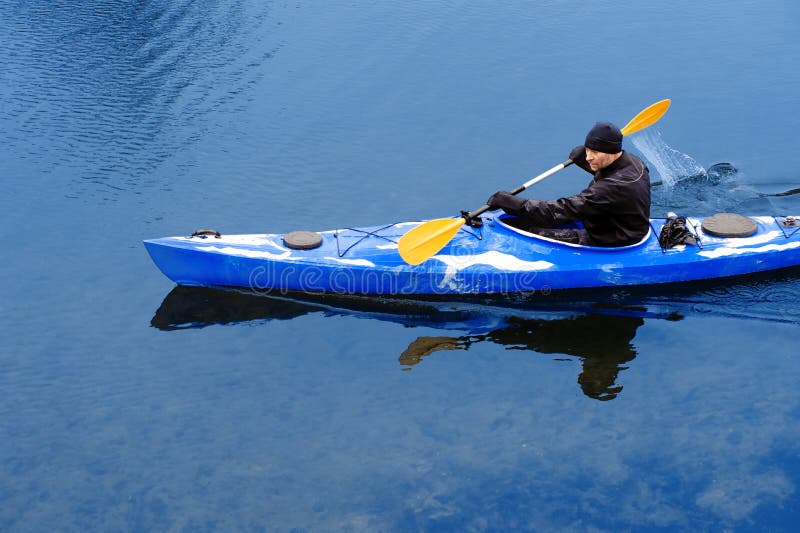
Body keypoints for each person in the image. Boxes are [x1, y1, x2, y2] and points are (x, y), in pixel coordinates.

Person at [486, 122, 651, 247]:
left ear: (612, 152)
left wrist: (514, 203)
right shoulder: (634, 163)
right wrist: (586, 162)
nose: (588, 157)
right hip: (618, 225)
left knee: (532, 233)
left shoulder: (610, 189)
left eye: (595, 152)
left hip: (610, 240)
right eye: (587, 150)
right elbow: (612, 179)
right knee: (526, 221)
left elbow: (561, 211)